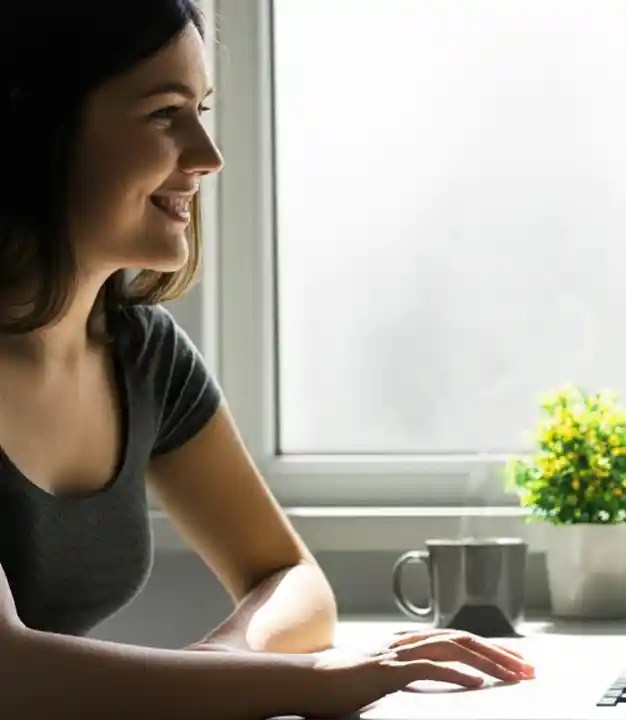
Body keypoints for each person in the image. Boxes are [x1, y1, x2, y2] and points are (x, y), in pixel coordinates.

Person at [0, 2, 536, 717]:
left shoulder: (144, 356)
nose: (208, 155)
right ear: (37, 129)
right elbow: (11, 672)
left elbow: (289, 577)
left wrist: (214, 667)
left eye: (203, 110)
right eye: (165, 115)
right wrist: (313, 681)